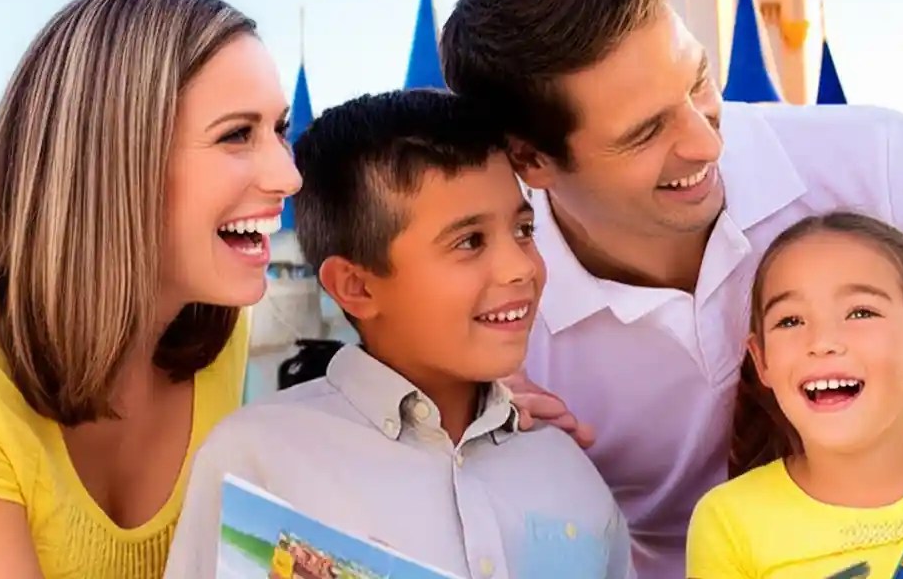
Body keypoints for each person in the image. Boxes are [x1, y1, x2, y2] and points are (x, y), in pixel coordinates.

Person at [437, 0, 903, 578]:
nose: (704, 143)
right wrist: (485, 452)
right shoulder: (495, 318)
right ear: (532, 160)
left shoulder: (879, 163)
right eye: (645, 133)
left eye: (697, 84)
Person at [0, 0, 301, 579]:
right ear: (114, 159)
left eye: (280, 129)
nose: (288, 175)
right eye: (237, 134)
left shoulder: (218, 341)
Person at [162, 89, 635, 579]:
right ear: (357, 286)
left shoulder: (569, 474)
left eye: (523, 230)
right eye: (469, 241)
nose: (521, 268)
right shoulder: (260, 462)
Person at [686, 211, 903, 578]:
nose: (822, 342)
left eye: (860, 313)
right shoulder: (729, 521)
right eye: (790, 321)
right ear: (762, 360)